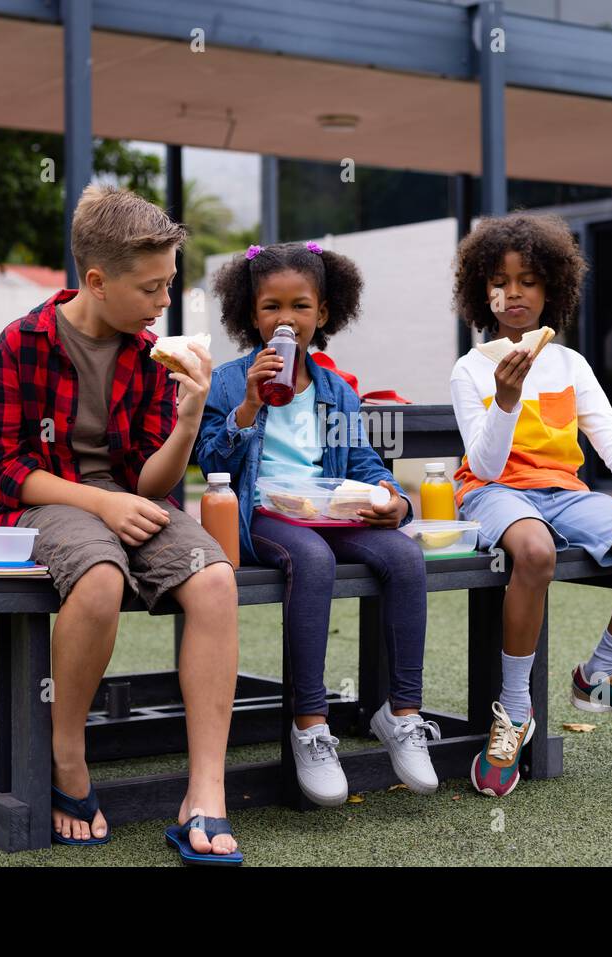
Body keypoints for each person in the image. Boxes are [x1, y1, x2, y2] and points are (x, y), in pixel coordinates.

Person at [0, 184, 241, 862]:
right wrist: (101, 502)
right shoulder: (22, 343)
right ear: (96, 281)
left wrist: (187, 422)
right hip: (45, 507)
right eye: (151, 289)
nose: (163, 304)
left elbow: (152, 482)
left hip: (133, 504)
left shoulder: (151, 355)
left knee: (214, 579)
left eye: (168, 286)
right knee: (97, 579)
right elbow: (5, 470)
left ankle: (204, 792)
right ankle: (69, 758)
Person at [449, 213, 612, 798]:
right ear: (480, 291)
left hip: (563, 493)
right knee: (533, 553)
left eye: (529, 280)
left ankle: (600, 674)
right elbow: (484, 467)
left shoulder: (569, 364)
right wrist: (506, 399)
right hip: (492, 494)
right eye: (500, 281)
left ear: (552, 289)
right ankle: (514, 713)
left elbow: (611, 439)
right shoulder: (471, 368)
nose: (513, 293)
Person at [197, 241, 439, 807]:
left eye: (300, 307)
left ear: (323, 314)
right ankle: (310, 723)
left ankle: (401, 713)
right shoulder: (231, 382)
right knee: (311, 558)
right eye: (271, 307)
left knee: (404, 554)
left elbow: (361, 465)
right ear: (250, 316)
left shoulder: (337, 393)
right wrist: (250, 407)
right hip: (258, 515)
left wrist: (393, 499)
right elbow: (210, 463)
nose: (286, 320)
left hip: (325, 512)